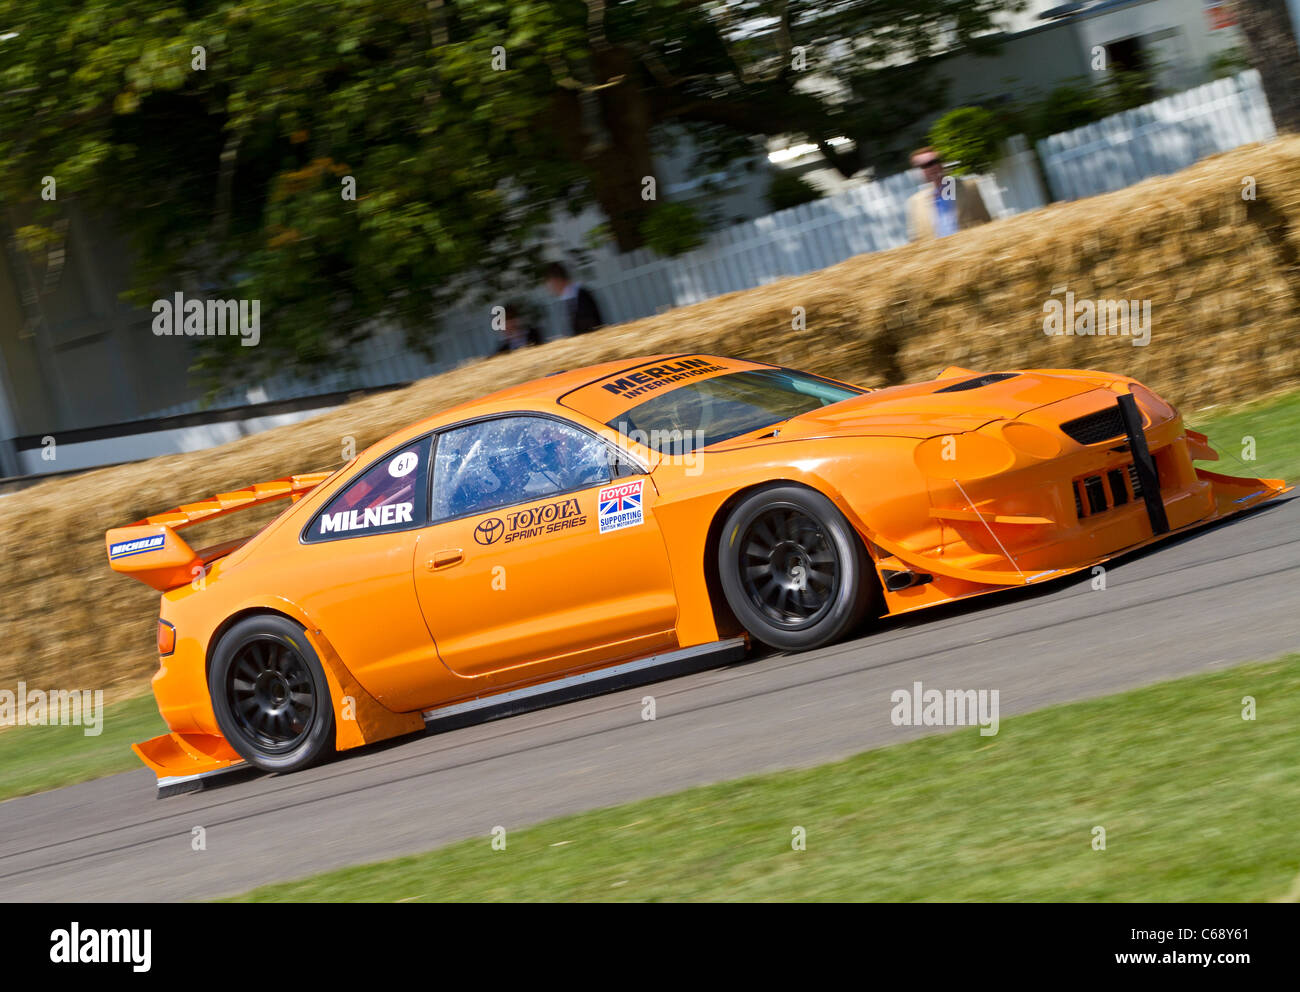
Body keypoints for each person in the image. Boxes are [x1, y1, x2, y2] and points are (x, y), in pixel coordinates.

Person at [905, 146, 992, 242]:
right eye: (924, 165)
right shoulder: (915, 202)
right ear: (918, 171)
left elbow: (986, 222)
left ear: (941, 164)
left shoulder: (969, 187)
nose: (931, 168)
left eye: (934, 162)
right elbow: (915, 241)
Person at [544, 261, 605, 335]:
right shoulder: (566, 300)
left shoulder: (583, 295)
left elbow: (592, 326)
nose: (549, 288)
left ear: (556, 280)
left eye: (549, 283)